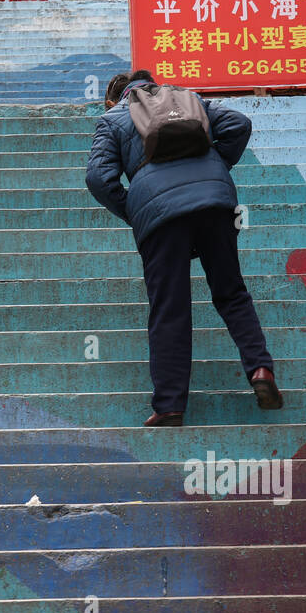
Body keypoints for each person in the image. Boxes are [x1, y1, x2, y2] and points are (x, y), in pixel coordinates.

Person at [85, 70, 282, 427]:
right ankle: (260, 370)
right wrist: (215, 169)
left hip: (162, 218)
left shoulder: (113, 117)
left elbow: (98, 178)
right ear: (153, 86)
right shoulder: (187, 98)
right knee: (232, 293)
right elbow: (238, 123)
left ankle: (170, 405)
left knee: (169, 308)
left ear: (114, 99)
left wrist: (134, 208)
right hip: (216, 204)